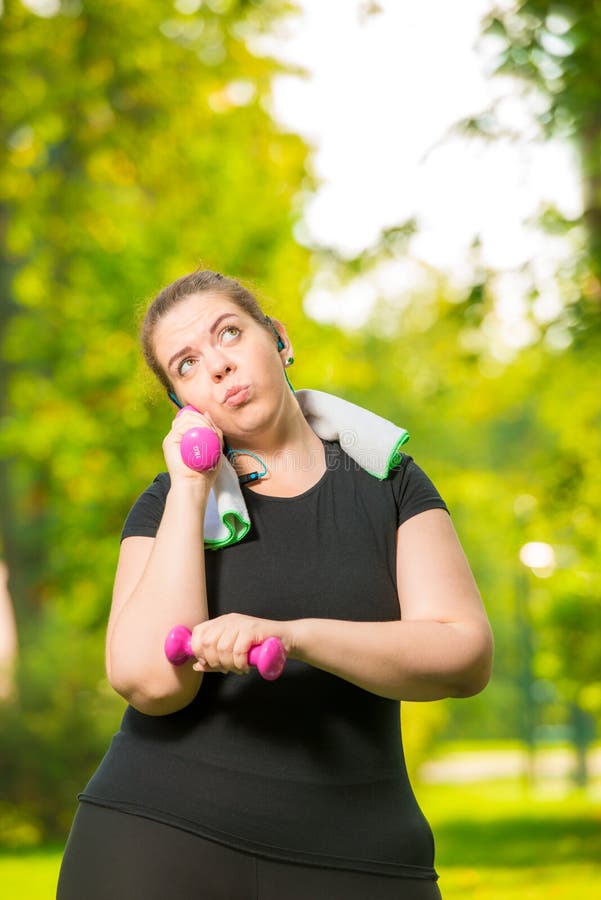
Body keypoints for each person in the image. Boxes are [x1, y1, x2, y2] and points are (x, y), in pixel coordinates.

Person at [57, 269, 493, 900]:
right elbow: (150, 683)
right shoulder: (168, 504)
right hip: (158, 838)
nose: (217, 367)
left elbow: (463, 656)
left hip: (361, 858)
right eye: (186, 366)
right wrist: (189, 486)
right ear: (185, 405)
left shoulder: (391, 482)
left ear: (278, 338)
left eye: (228, 333)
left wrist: (294, 638)